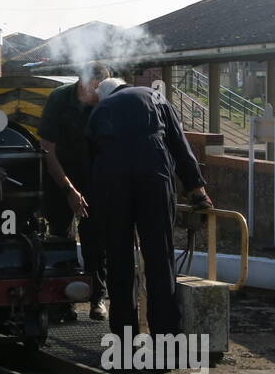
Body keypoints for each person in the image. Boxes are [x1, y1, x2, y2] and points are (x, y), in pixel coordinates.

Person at [84, 73, 211, 340]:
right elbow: (179, 144)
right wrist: (196, 190)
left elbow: (91, 161)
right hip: (154, 178)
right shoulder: (154, 96)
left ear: (106, 95)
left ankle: (124, 339)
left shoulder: (100, 111)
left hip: (112, 183)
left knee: (119, 259)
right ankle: (166, 336)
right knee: (159, 256)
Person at [38, 65, 109, 320]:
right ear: (83, 84)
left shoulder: (106, 102)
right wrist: (68, 189)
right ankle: (61, 300)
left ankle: (97, 297)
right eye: (95, 88)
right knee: (59, 237)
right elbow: (47, 148)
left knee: (96, 239)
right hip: (59, 175)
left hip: (94, 176)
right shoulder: (59, 99)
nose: (99, 94)